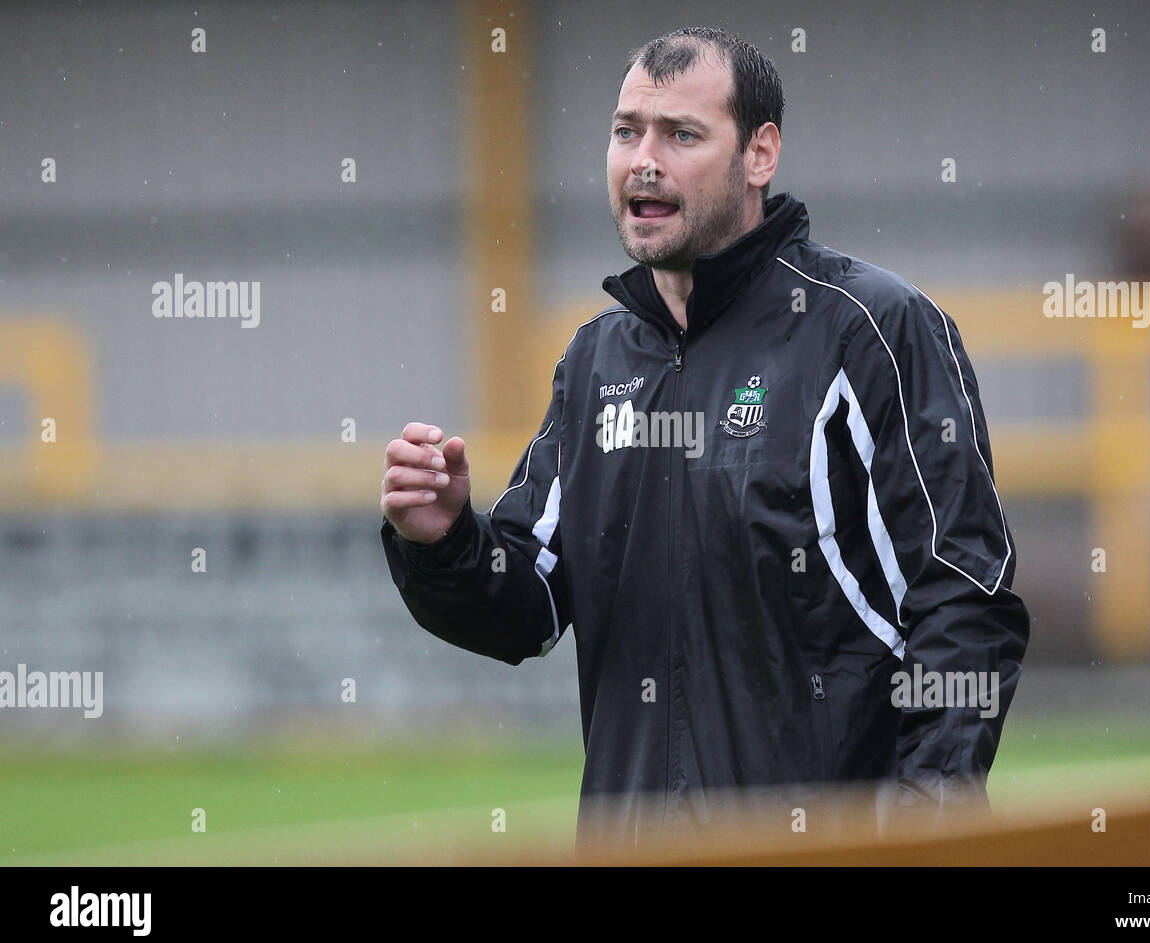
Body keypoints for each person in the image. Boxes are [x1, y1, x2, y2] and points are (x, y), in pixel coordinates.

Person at [380, 26, 1030, 856]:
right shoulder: (595, 362)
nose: (643, 160)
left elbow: (965, 603)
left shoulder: (870, 330)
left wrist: (917, 834)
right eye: (626, 132)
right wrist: (444, 542)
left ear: (760, 154)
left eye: (681, 134)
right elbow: (525, 610)